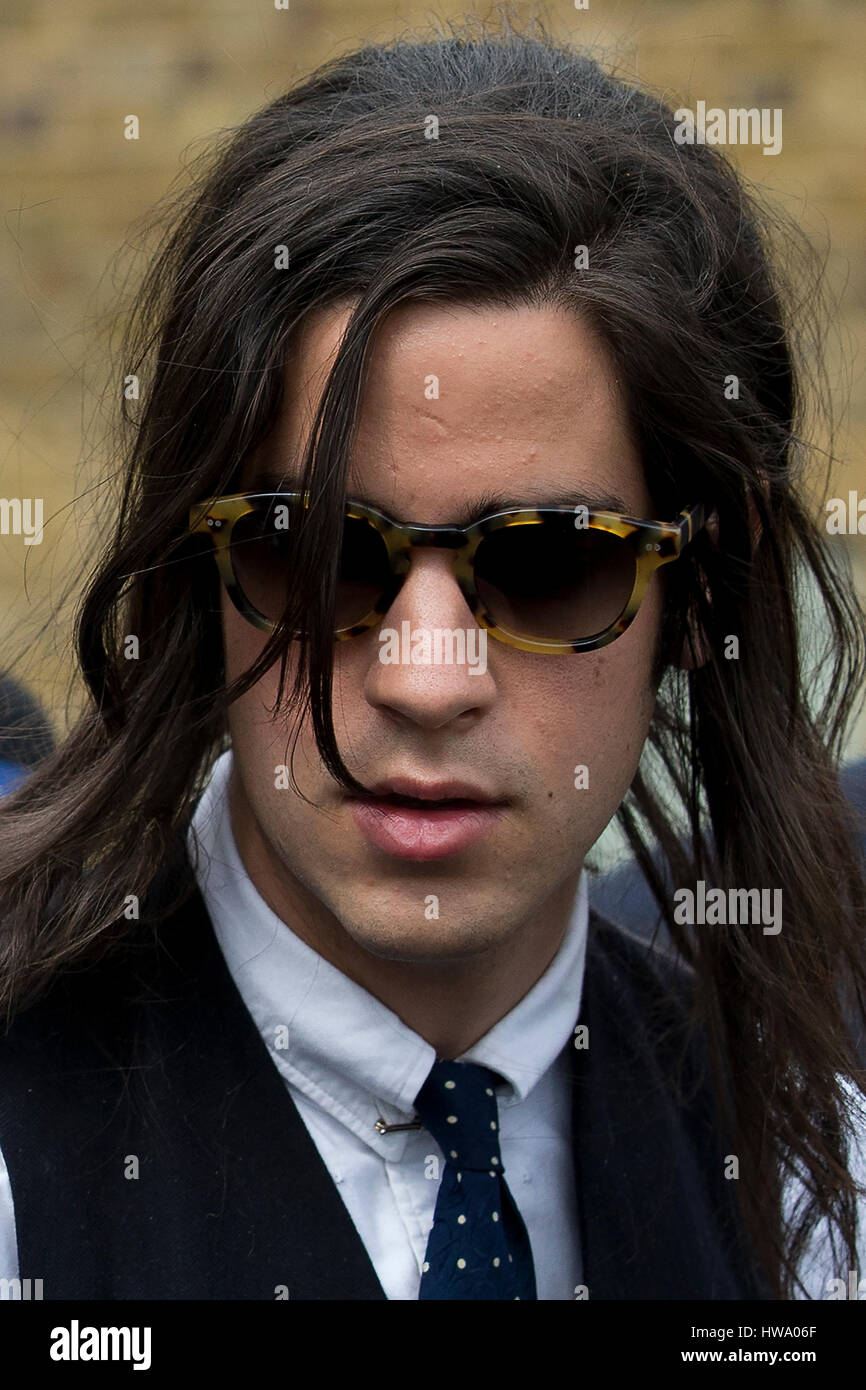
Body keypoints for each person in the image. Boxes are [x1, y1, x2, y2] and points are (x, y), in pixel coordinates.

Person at [0, 20, 864, 1302]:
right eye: (316, 555)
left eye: (545, 563)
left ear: (698, 588)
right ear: (198, 566)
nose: (424, 678)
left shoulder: (811, 1194)